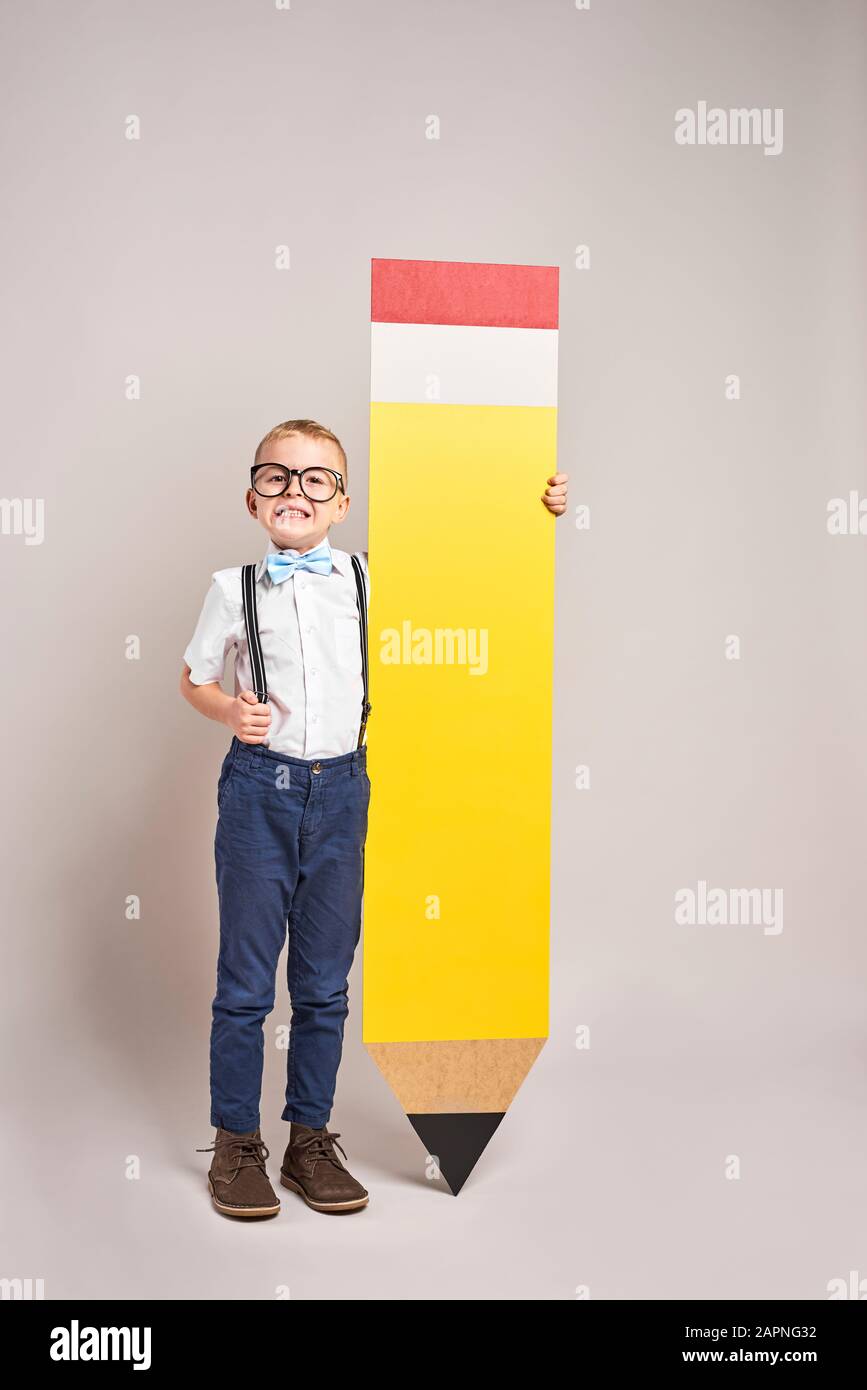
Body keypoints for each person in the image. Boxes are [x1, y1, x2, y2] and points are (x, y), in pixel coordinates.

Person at [181, 418, 568, 1218]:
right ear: (252, 499)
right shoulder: (232, 590)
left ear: (342, 501)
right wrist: (227, 712)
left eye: (315, 479)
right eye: (278, 478)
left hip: (344, 793)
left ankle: (308, 1142)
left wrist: (533, 510)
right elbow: (192, 680)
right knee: (245, 987)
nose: (296, 492)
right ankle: (234, 1144)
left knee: (324, 984)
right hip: (258, 793)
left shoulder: (365, 578)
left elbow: (462, 568)